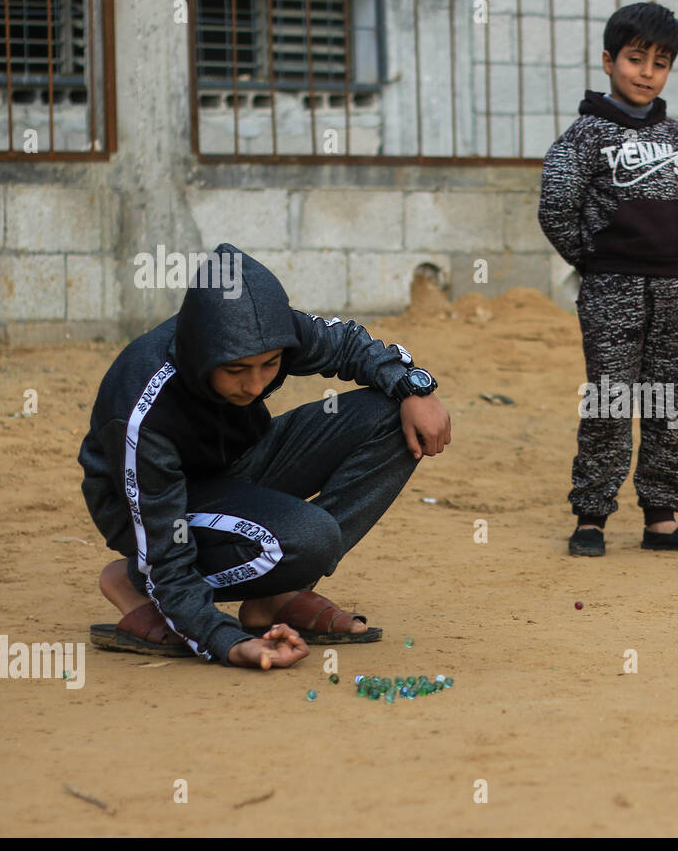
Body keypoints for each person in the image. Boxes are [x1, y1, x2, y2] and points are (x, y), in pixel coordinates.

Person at [78, 244, 451, 669]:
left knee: (394, 416)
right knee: (312, 538)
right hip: (153, 507)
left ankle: (274, 595)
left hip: (237, 464)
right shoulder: (142, 409)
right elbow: (167, 540)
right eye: (236, 371)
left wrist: (412, 386)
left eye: (270, 365)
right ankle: (133, 582)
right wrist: (226, 641)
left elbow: (348, 343)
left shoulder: (273, 333)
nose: (255, 386)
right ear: (201, 353)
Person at [538, 1, 678, 557]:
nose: (646, 72)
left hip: (673, 288)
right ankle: (591, 517)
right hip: (611, 288)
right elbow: (555, 207)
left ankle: (661, 520)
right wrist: (594, 261)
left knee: (667, 399)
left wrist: (673, 257)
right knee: (611, 399)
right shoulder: (585, 134)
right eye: (635, 59)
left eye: (660, 63)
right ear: (608, 61)